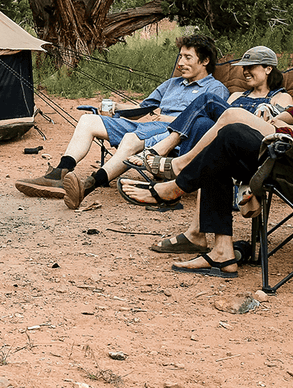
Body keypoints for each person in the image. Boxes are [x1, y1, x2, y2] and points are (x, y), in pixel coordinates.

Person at [16, 34, 227, 207]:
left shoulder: (214, 89)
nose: (180, 63)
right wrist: (116, 106)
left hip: (172, 133)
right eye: (180, 57)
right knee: (88, 120)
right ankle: (60, 173)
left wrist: (170, 118)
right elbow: (143, 108)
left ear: (205, 61)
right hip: (148, 125)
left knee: (130, 139)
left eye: (188, 58)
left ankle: (89, 184)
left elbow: (207, 124)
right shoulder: (172, 83)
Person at [119, 106, 293, 275]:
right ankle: (220, 249)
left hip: (286, 155)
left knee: (230, 126)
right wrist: (275, 116)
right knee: (225, 138)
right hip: (282, 150)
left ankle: (177, 183)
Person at [122, 46, 291, 183]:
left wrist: (270, 110)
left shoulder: (280, 97)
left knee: (208, 99)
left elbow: (280, 123)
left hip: (253, 146)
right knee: (201, 123)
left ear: (268, 68)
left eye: (251, 67)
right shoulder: (237, 95)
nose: (245, 71)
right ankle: (177, 178)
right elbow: (220, 122)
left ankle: (164, 150)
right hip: (225, 141)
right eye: (244, 67)